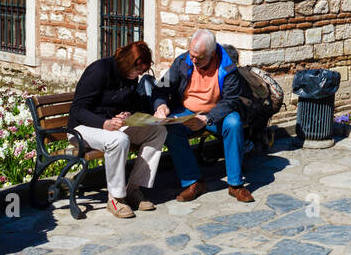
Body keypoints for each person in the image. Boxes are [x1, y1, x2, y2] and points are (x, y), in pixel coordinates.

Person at [69, 40, 169, 218]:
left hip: (112, 128)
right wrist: (103, 123)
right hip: (82, 128)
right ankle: (115, 198)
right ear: (127, 62)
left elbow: (129, 103)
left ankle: (133, 189)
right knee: (119, 140)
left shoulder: (129, 77)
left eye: (142, 72)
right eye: (137, 71)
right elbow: (78, 110)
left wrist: (127, 115)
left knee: (159, 131)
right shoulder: (99, 71)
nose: (139, 75)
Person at [155, 29, 255, 203]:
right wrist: (161, 105)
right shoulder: (182, 61)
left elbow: (231, 100)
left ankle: (235, 184)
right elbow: (161, 87)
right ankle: (193, 182)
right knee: (170, 128)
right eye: (192, 55)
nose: (193, 60)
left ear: (211, 53)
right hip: (186, 111)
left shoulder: (228, 67)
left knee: (234, 123)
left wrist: (207, 119)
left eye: (199, 58)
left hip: (216, 113)